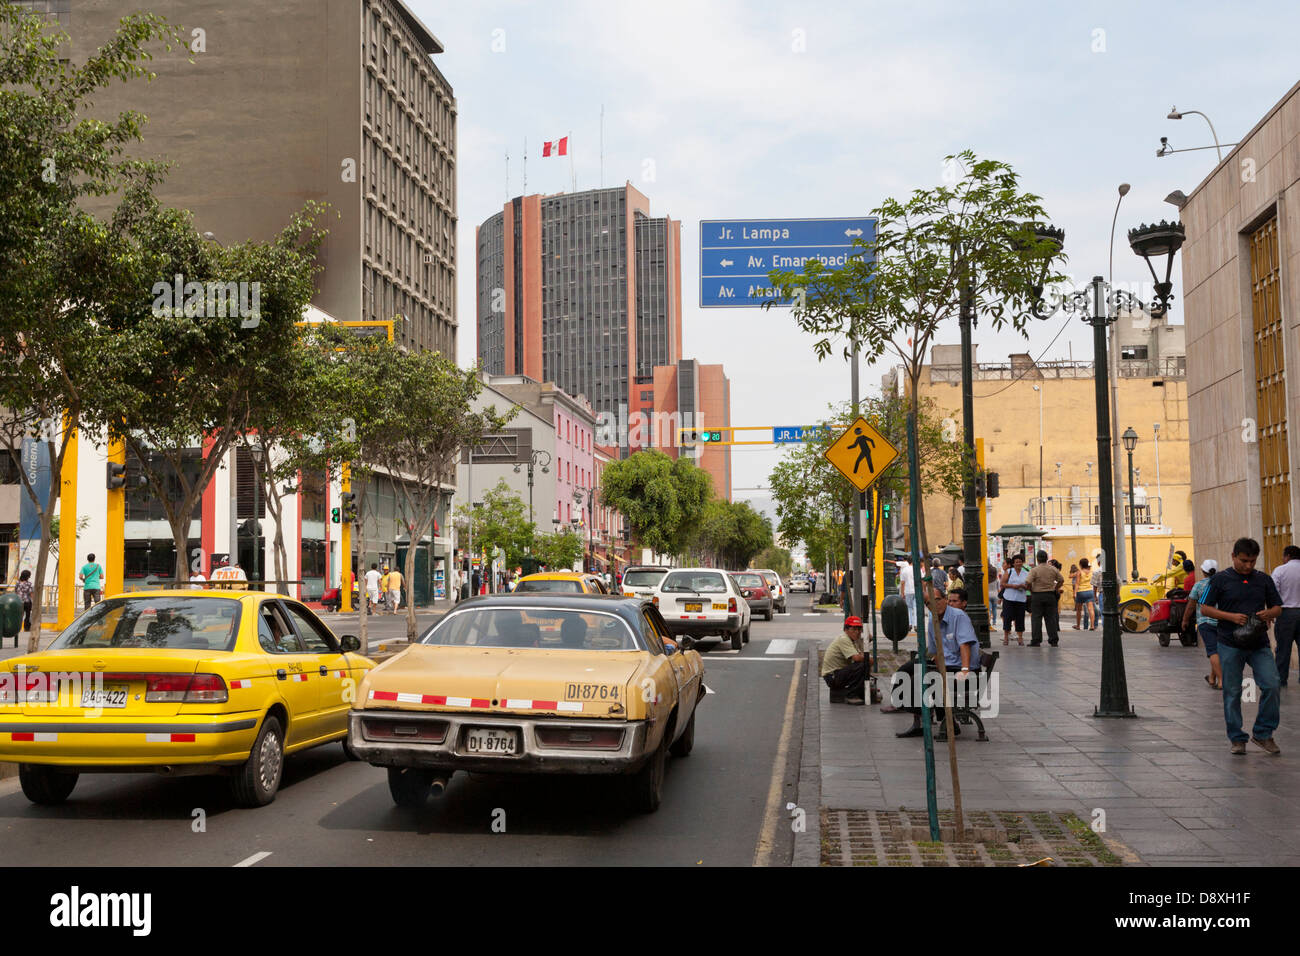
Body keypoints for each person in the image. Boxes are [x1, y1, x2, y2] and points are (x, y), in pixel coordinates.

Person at [1200, 537, 1284, 755]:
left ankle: (1264, 733)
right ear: (1234, 557)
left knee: (1272, 684)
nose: (1248, 566)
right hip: (1229, 643)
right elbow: (1205, 609)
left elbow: (1278, 607)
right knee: (1232, 691)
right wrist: (1230, 617)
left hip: (1259, 643)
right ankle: (1237, 738)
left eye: (1252, 562)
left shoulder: (1263, 580)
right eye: (1244, 561)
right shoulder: (1220, 580)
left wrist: (1270, 613)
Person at [884, 586, 980, 738]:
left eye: (938, 600)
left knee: (926, 679)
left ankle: (947, 723)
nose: (934, 605)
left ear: (945, 600)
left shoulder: (958, 616)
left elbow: (965, 645)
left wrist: (965, 670)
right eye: (929, 603)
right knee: (904, 671)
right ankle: (919, 717)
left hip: (962, 669)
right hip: (945, 664)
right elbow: (934, 650)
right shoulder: (932, 620)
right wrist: (933, 662)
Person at [1183, 558, 1221, 689]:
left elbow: (1191, 606)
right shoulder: (1222, 584)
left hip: (1205, 622)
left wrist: (1185, 620)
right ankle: (1212, 678)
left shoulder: (1199, 585)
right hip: (1222, 621)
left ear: (1203, 572)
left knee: (1213, 651)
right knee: (1217, 651)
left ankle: (1221, 680)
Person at [821, 615, 869, 705]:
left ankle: (857, 692)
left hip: (837, 674)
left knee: (863, 665)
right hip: (832, 677)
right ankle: (851, 695)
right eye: (854, 629)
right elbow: (857, 658)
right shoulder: (844, 639)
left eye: (859, 629)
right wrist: (869, 659)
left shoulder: (852, 641)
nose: (857, 632)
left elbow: (860, 655)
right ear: (846, 630)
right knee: (862, 665)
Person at [1271, 545, 1300, 687]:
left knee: (1283, 648)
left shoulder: (1280, 570)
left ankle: (1281, 679)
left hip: (1285, 613)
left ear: (1287, 556)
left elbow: (1273, 592)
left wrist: (1271, 611)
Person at [1027, 550, 1064, 646]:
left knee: (1036, 618)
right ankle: (1053, 640)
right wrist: (1056, 588)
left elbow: (1028, 582)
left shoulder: (1034, 570)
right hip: (1050, 595)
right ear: (1046, 558)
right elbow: (1061, 580)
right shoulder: (1053, 569)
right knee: (1050, 618)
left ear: (1037, 559)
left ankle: (1036, 640)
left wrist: (1031, 590)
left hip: (1037, 595)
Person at [1000, 553, 1028, 645]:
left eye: (1020, 562)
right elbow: (1003, 583)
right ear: (1013, 563)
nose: (1018, 563)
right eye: (1016, 562)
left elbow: (1029, 585)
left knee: (1020, 618)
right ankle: (1006, 637)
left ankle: (1020, 638)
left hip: (1021, 599)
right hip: (1009, 598)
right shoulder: (1009, 571)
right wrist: (1013, 586)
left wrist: (1025, 586)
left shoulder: (1026, 572)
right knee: (1007, 618)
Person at [1073, 558, 1096, 630]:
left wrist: (1074, 593)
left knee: (1079, 610)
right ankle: (1092, 626)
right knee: (1091, 609)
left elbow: (1077, 583)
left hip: (1081, 592)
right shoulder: (1091, 572)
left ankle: (1078, 625)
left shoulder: (1079, 572)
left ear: (1081, 565)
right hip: (1089, 591)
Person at [897, 558, 916, 632]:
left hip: (908, 591)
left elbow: (902, 583)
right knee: (916, 607)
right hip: (916, 591)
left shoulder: (904, 570)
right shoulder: (917, 569)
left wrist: (902, 593)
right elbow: (922, 580)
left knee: (909, 608)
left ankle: (910, 624)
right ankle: (916, 624)